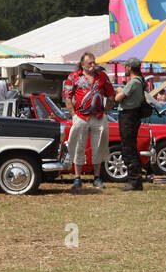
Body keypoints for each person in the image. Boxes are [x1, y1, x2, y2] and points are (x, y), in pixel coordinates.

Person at [62, 52, 115, 190]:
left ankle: (97, 178)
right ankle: (77, 178)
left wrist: (106, 112)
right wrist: (73, 114)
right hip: (80, 116)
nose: (93, 65)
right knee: (78, 146)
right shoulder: (73, 77)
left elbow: (110, 94)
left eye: (94, 62)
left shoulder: (102, 76)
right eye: (90, 63)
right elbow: (67, 97)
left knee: (98, 147)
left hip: (98, 117)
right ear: (82, 64)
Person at [113, 59, 148, 191]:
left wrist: (120, 90)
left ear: (129, 68)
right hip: (133, 116)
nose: (125, 69)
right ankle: (135, 179)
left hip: (128, 116)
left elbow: (118, 98)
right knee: (130, 146)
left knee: (128, 148)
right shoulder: (140, 80)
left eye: (126, 67)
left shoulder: (133, 82)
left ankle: (134, 181)